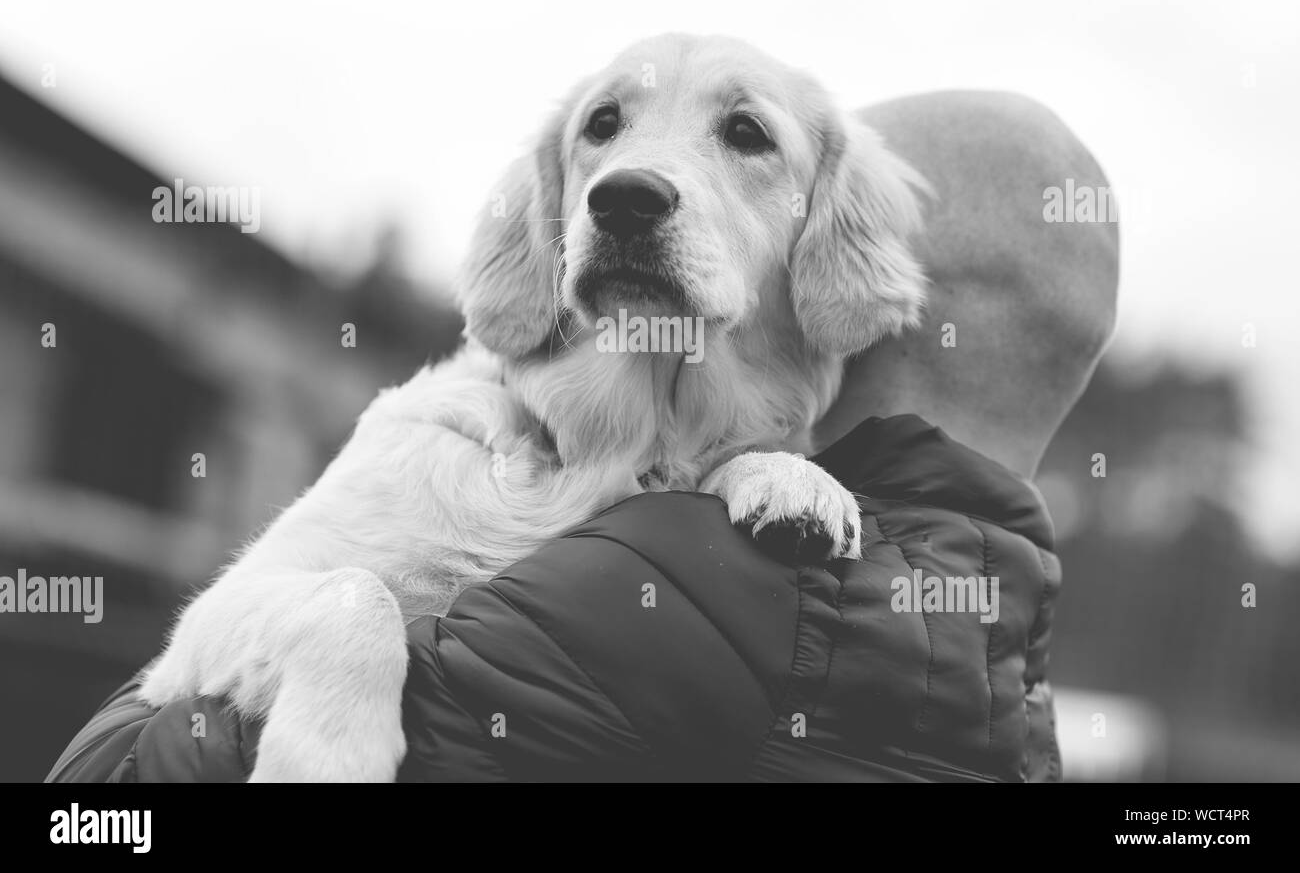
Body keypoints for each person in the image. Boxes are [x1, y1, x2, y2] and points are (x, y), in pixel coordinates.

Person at [47, 90, 1117, 782]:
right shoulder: (1006, 690)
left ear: (851, 268)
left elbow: (105, 782)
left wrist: (338, 640)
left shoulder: (704, 588)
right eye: (604, 126)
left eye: (746, 136)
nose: (636, 177)